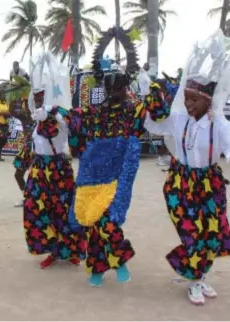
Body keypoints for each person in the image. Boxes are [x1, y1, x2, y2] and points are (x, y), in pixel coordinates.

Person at [57, 29, 172, 286]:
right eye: (110, 86)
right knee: (92, 221)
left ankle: (118, 261)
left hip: (119, 172)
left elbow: (160, 113)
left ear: (125, 86)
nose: (114, 91)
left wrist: (151, 86)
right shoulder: (96, 112)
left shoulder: (134, 111)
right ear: (104, 87)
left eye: (119, 86)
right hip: (92, 173)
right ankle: (98, 268)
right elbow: (73, 118)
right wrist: (54, 110)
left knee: (107, 219)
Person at [144, 30, 230, 305]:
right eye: (187, 99)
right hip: (181, 183)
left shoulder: (220, 125)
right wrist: (148, 94)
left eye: (194, 100)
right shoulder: (180, 119)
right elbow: (154, 124)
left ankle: (199, 277)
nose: (189, 105)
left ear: (208, 99)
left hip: (209, 184)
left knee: (211, 234)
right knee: (192, 233)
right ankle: (194, 280)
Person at [25, 53, 86, 269]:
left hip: (59, 169)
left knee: (64, 211)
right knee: (39, 210)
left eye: (42, 98)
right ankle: (51, 249)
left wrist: (53, 111)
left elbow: (74, 124)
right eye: (37, 99)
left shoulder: (60, 118)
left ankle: (70, 251)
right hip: (40, 170)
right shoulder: (35, 121)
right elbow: (34, 147)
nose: (39, 102)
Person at [8, 76, 35, 207]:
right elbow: (12, 111)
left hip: (40, 150)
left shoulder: (43, 113)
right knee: (19, 174)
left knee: (35, 176)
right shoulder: (25, 114)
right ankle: (27, 197)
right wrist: (15, 94)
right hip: (29, 148)